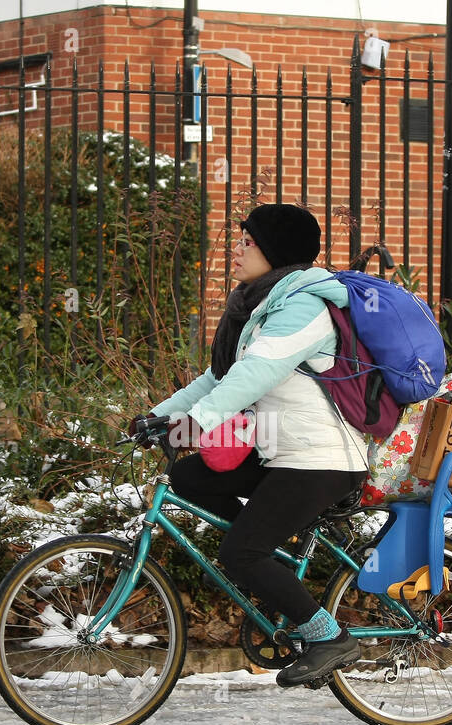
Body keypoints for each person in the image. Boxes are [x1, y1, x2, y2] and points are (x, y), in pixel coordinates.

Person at [134, 203, 368, 688]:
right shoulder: (264, 305)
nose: (236, 250)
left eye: (248, 242)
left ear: (275, 252)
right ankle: (273, 569)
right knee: (187, 476)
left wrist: (195, 424)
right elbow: (218, 377)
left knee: (241, 553)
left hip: (322, 459)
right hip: (281, 453)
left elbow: (254, 374)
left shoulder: (305, 306)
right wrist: (159, 419)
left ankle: (329, 637)